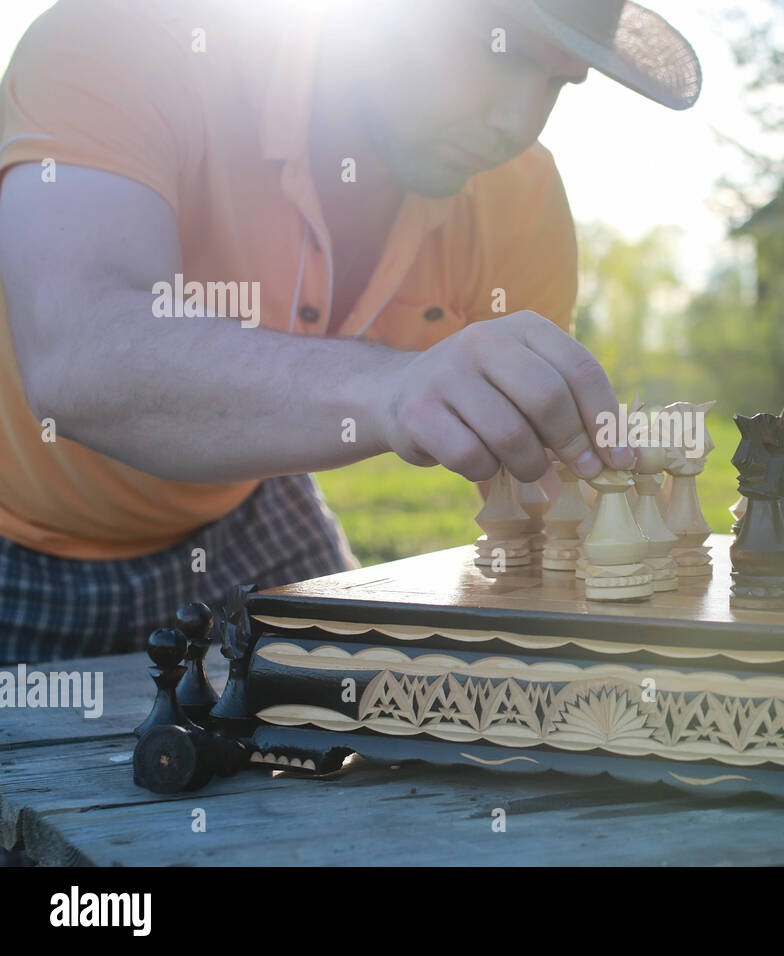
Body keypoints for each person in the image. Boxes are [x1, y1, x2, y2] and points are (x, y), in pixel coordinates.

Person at [0, 0, 701, 663]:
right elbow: (79, 362)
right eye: (502, 49)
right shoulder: (124, 38)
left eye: (559, 81)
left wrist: (650, 544)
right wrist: (393, 388)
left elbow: (550, 483)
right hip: (15, 545)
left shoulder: (521, 192)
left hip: (254, 505)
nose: (518, 122)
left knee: (363, 750)